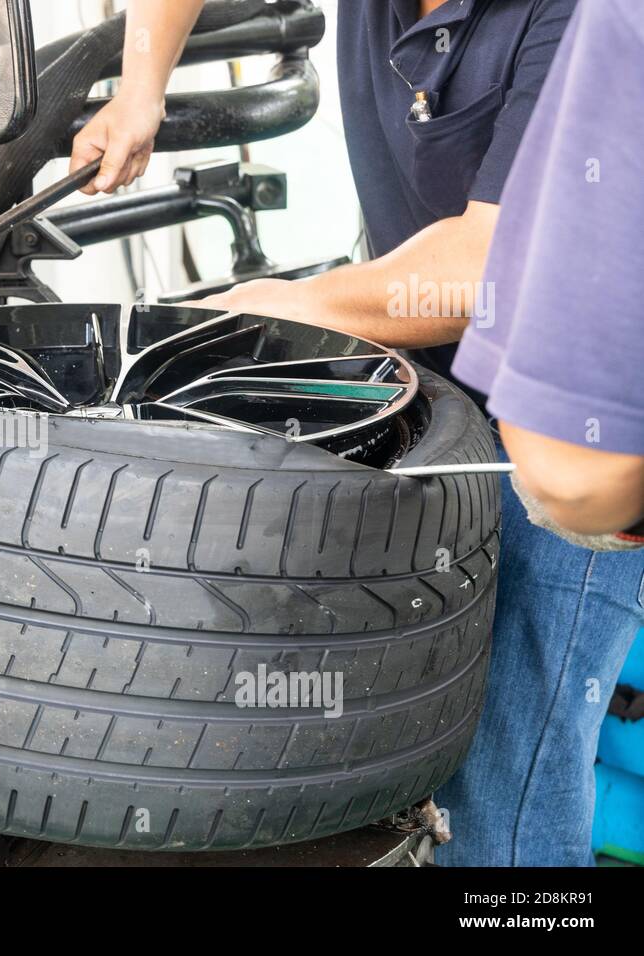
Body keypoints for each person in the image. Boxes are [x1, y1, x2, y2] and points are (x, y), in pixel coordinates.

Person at [68, 0, 635, 866]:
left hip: (586, 421)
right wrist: (140, 86)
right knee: (404, 734)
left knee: (504, 775)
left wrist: (280, 304)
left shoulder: (591, 21)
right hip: (437, 396)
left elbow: (496, 262)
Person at [440, 0, 644, 865]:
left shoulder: (603, 23)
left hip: (556, 457)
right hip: (466, 415)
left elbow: (577, 477)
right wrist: (142, 88)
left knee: (509, 808)